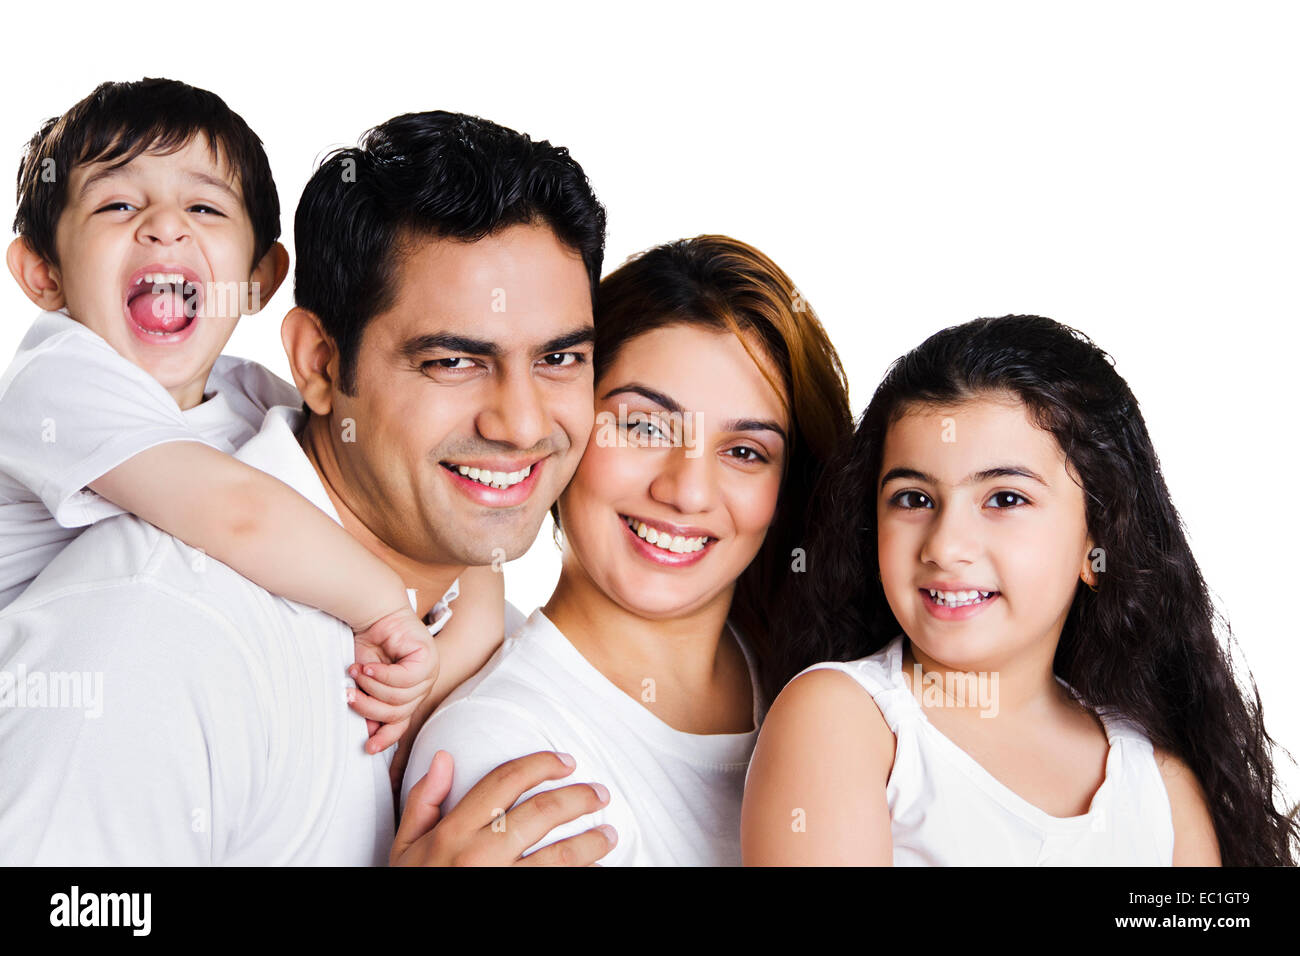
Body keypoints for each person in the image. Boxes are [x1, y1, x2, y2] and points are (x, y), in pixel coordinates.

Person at [0, 108, 614, 865]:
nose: (521, 425)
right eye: (453, 362)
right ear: (320, 363)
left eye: (559, 360)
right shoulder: (155, 632)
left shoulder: (493, 634)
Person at [742, 314, 1299, 866]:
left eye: (1005, 499)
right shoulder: (845, 722)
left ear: (1097, 542)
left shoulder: (1161, 789)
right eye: (914, 498)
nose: (946, 545)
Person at [2, 78, 437, 752]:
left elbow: (341, 499)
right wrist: (384, 606)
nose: (166, 225)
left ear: (260, 278)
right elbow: (241, 514)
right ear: (43, 274)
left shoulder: (251, 396)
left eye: (204, 207)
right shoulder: (59, 378)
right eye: (118, 203)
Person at [401, 235, 853, 865]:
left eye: (745, 452)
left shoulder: (820, 684)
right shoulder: (505, 745)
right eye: (644, 426)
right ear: (570, 419)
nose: (687, 491)